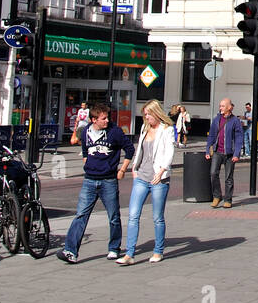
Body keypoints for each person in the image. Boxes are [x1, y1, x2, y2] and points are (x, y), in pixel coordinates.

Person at [57, 104, 134, 264]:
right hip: (90, 179)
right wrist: (87, 164)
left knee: (113, 216)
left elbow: (130, 149)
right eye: (103, 118)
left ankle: (114, 248)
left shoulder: (115, 132)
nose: (107, 120)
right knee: (81, 215)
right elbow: (85, 150)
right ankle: (70, 251)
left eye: (107, 117)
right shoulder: (86, 132)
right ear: (94, 120)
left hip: (109, 180)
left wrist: (122, 169)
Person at [118, 100, 176, 264]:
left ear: (156, 113)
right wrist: (134, 169)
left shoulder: (166, 130)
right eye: (145, 115)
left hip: (158, 179)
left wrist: (162, 170)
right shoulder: (145, 128)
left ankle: (158, 251)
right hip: (141, 177)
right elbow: (140, 149)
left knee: (157, 217)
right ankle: (129, 254)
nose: (146, 117)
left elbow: (170, 152)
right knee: (133, 215)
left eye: (149, 114)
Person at [205, 97, 243, 208]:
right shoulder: (216, 119)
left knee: (228, 178)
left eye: (222, 106)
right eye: (220, 105)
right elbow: (212, 135)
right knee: (213, 174)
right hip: (217, 151)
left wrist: (236, 154)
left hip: (230, 153)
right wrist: (208, 149)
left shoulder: (235, 121)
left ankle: (228, 199)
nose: (220, 108)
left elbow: (239, 138)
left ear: (229, 107)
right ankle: (217, 196)